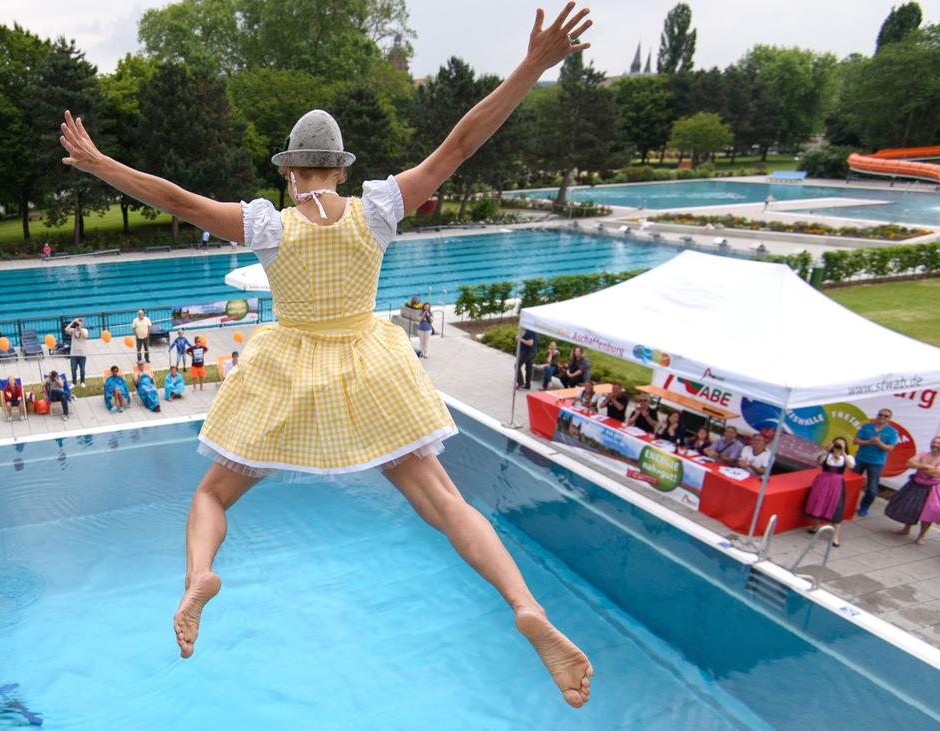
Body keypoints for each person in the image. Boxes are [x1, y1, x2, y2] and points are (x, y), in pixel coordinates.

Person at [60, 4, 596, 707]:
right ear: (340, 170)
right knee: (446, 500)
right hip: (373, 369)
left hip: (291, 373)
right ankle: (526, 605)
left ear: (289, 173)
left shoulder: (267, 225)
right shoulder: (379, 208)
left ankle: (197, 577)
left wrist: (99, 163)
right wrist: (532, 65)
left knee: (213, 493)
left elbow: (175, 198)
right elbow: (461, 142)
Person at [883, 435, 940, 545]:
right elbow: (909, 463)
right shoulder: (923, 454)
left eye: (939, 443)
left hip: (934, 489)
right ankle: (906, 529)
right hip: (917, 484)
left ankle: (921, 535)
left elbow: (936, 473)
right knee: (910, 508)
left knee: (929, 513)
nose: (935, 444)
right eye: (934, 442)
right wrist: (927, 467)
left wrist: (919, 466)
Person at [803, 437, 854, 547]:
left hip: (837, 483)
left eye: (841, 445)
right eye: (837, 444)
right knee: (819, 501)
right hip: (823, 481)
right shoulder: (827, 455)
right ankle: (815, 526)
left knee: (837, 506)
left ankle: (836, 536)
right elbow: (820, 461)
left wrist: (843, 453)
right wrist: (827, 450)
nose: (838, 447)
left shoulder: (847, 457)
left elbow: (851, 466)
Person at [854, 408, 899, 517]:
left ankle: (864, 507)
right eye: (880, 414)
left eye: (886, 416)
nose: (882, 417)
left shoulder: (892, 432)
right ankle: (846, 503)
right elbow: (855, 441)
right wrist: (868, 442)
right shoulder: (866, 426)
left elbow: (890, 448)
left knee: (872, 488)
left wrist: (878, 443)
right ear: (877, 415)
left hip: (876, 462)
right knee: (852, 483)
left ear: (889, 419)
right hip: (860, 459)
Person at [66, 317, 89, 388]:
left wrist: (80, 329)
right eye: (77, 324)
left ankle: (82, 382)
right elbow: (66, 329)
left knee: (82, 369)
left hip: (82, 354)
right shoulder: (73, 330)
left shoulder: (85, 330)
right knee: (73, 369)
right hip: (74, 354)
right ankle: (74, 383)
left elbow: (85, 336)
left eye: (79, 324)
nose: (77, 325)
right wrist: (73, 321)